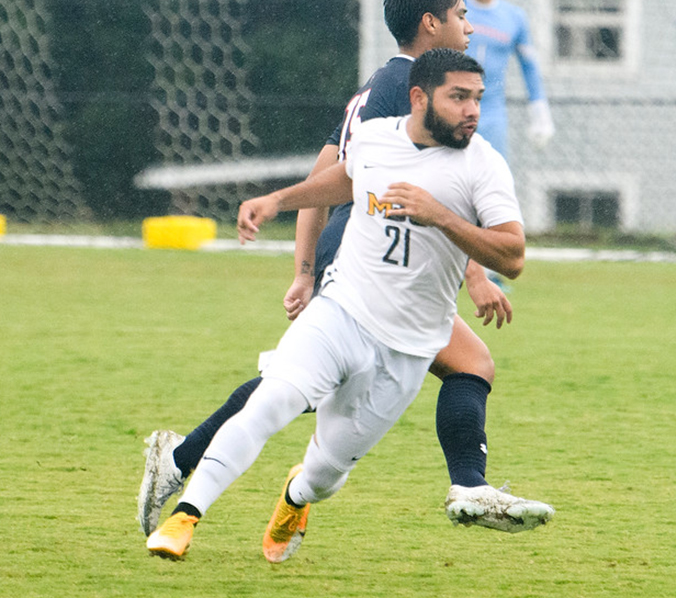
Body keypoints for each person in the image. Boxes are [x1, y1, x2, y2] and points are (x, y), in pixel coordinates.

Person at [137, 0, 551, 539]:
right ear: (431, 23)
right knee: (441, 367)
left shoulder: (392, 79)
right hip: (371, 253)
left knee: (300, 383)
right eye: (459, 13)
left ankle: (181, 459)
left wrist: (305, 268)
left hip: (374, 251)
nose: (469, 26)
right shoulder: (400, 90)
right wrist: (311, 269)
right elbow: (343, 178)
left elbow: (332, 169)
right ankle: (468, 487)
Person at [464, 0, 553, 159]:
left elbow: (529, 65)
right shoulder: (456, 8)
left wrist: (539, 111)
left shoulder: (514, 16)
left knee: (493, 171)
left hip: (492, 110)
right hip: (454, 104)